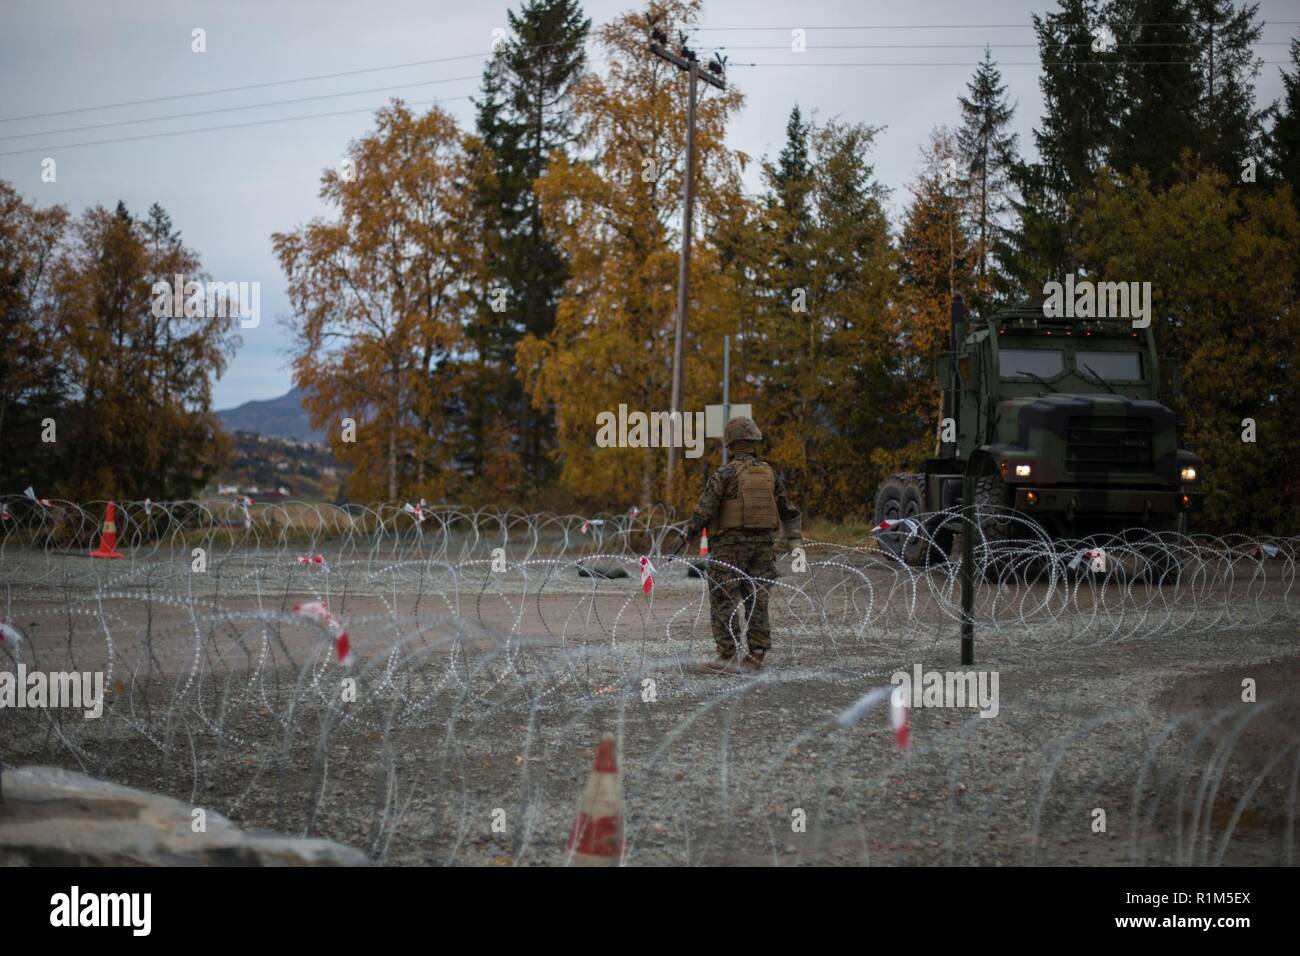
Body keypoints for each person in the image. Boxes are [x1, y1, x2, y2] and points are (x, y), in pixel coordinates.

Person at [683, 416, 801, 674]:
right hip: (763, 548)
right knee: (757, 599)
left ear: (730, 445)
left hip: (729, 548)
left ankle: (727, 656)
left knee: (724, 599)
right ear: (753, 442)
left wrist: (688, 533)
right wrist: (795, 542)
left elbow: (705, 509)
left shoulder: (725, 474)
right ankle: (756, 656)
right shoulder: (769, 473)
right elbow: (789, 510)